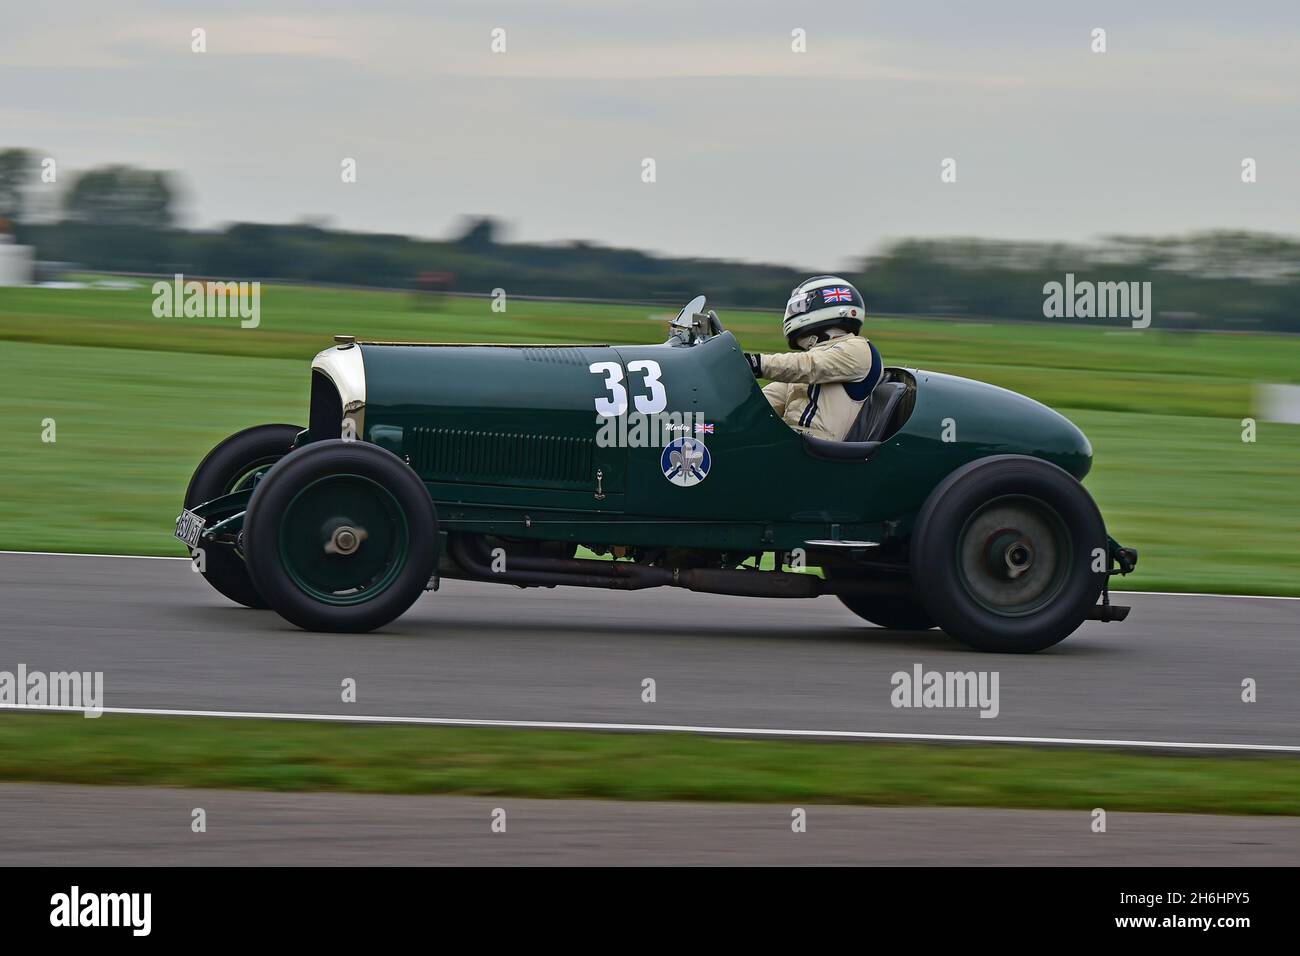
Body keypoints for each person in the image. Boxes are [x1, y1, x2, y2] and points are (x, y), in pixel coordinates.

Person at [743, 276, 881, 441]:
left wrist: (757, 363)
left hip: (814, 451)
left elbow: (809, 366)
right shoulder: (819, 357)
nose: (794, 313)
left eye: (800, 306)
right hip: (794, 443)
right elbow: (765, 401)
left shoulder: (857, 350)